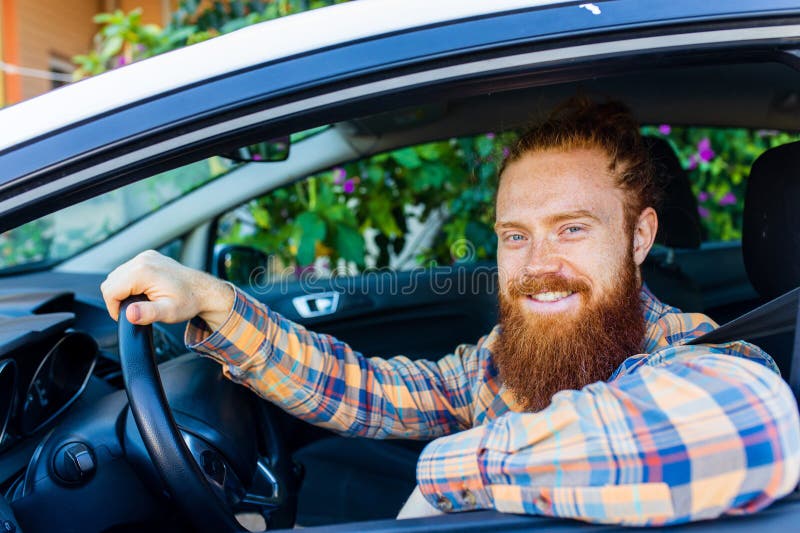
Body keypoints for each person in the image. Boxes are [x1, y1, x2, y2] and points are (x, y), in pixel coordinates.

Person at [100, 97, 800, 526]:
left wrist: (441, 480)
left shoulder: (693, 348)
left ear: (640, 236)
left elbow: (748, 423)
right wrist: (220, 304)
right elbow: (370, 392)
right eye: (515, 236)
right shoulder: (499, 362)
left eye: (573, 228)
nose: (537, 264)